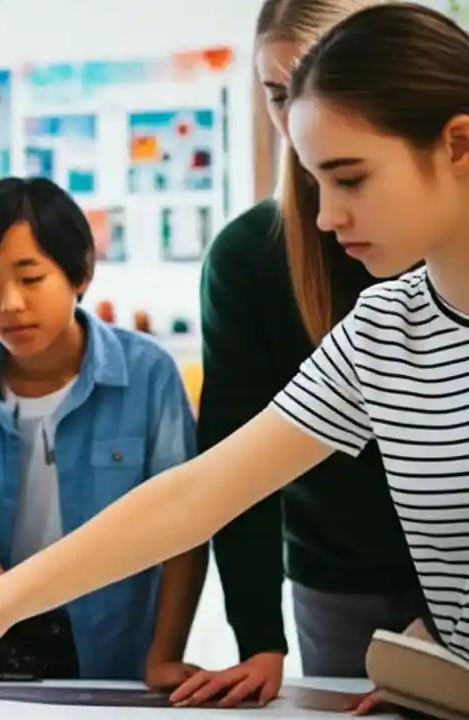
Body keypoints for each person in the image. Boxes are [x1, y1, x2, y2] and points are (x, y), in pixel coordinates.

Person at [0, 6, 469, 718]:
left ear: (458, 144)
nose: (326, 215)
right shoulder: (381, 333)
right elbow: (196, 495)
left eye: (351, 178)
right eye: (314, 182)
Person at [185, 0, 422, 706]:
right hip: (334, 581)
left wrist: (442, 632)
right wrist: (259, 635)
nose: (297, 118)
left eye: (318, 84)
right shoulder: (254, 261)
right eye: (277, 94)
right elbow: (219, 476)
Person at [0, 177, 207, 685]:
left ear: (80, 274)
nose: (10, 304)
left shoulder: (147, 375)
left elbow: (187, 533)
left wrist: (164, 655)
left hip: (119, 651)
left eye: (30, 278)